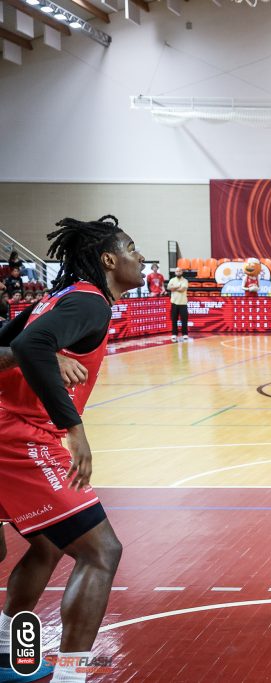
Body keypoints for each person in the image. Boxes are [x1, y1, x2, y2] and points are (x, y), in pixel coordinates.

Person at [0, 215, 144, 683]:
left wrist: (38, 350)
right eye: (130, 247)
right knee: (102, 551)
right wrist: (74, 429)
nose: (140, 256)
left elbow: (14, 345)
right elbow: (28, 343)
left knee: (45, 543)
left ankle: (6, 652)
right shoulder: (91, 302)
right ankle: (71, 677)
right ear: (108, 260)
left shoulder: (57, 296)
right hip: (18, 434)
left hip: (10, 426)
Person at [168, 267, 190, 342]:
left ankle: (185, 334)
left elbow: (182, 289)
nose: (178, 272)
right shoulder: (172, 280)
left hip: (183, 303)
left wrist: (174, 288)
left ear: (182, 272)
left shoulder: (185, 280)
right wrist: (178, 286)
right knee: (174, 319)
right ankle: (174, 334)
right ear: (175, 273)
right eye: (177, 271)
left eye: (179, 271)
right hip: (174, 302)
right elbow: (169, 288)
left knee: (184, 320)